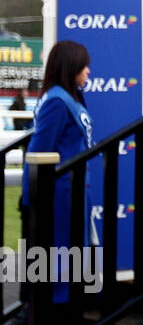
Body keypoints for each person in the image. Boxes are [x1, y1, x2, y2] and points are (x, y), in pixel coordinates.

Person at [20, 41, 95, 309]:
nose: (88, 71)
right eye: (83, 65)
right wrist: (29, 197)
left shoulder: (67, 97)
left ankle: (61, 313)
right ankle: (50, 318)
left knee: (72, 257)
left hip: (75, 191)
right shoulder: (57, 100)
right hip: (60, 195)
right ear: (70, 65)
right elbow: (39, 151)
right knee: (60, 259)